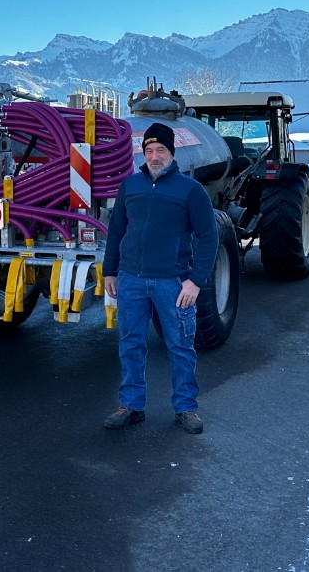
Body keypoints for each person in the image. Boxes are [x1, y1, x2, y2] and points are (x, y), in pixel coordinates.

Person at [101, 121, 219, 434]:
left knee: (180, 346)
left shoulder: (190, 190)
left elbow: (209, 238)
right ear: (144, 153)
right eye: (149, 150)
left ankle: (186, 408)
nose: (154, 156)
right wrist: (110, 271)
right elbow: (117, 231)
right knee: (130, 343)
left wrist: (195, 281)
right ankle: (131, 405)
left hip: (173, 282)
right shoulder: (131, 185)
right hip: (131, 279)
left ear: (171, 152)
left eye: (161, 150)